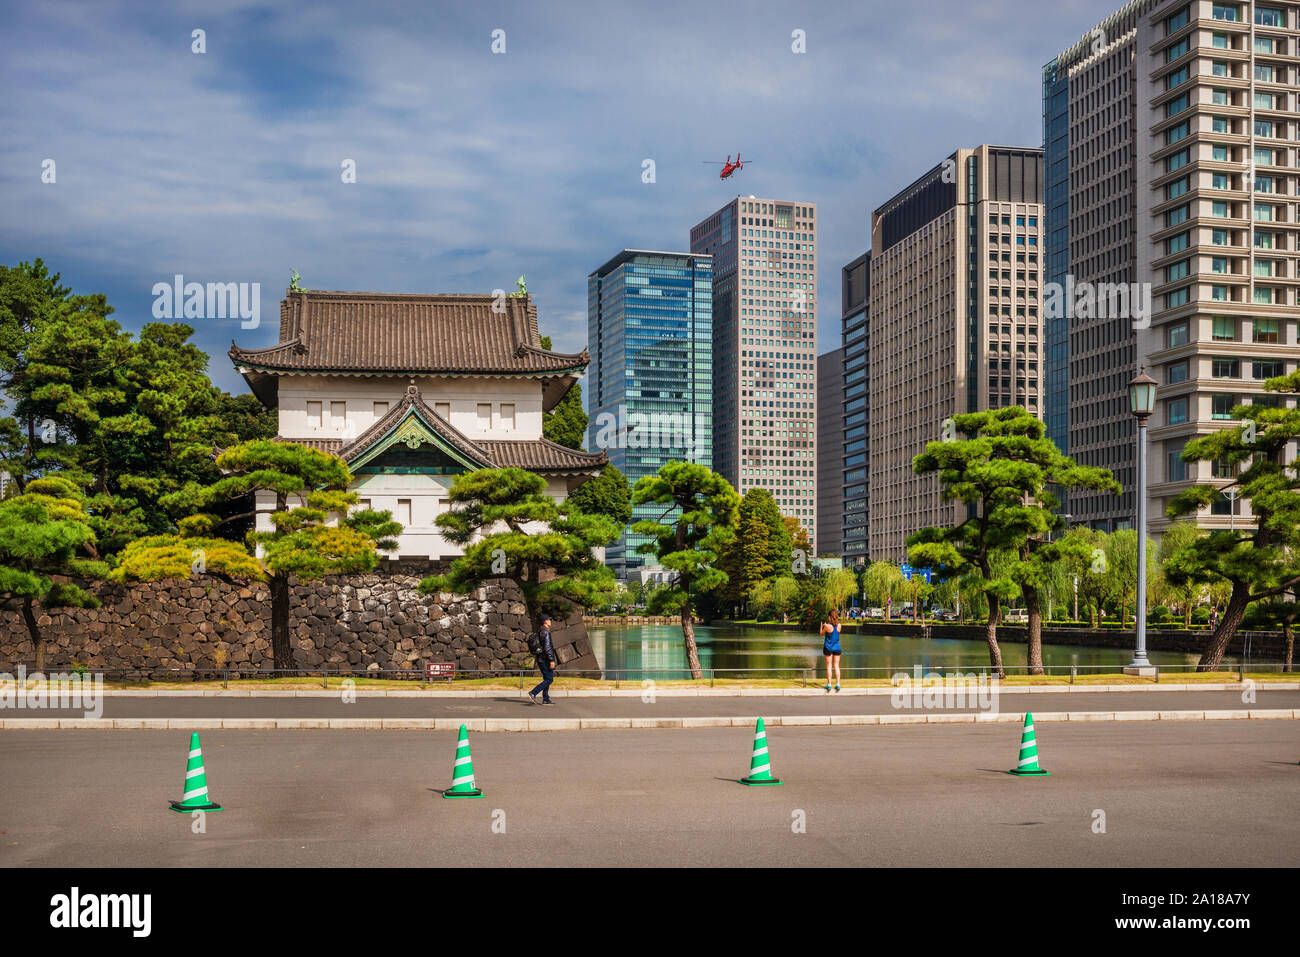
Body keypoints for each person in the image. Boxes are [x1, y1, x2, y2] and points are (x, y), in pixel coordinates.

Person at [528, 614, 557, 705]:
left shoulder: (540, 630)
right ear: (545, 621)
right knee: (549, 679)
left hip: (541, 658)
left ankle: (546, 699)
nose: (550, 621)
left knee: (546, 678)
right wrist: (551, 660)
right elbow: (547, 647)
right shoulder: (546, 631)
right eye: (549, 620)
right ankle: (533, 692)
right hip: (545, 659)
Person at [819, 608, 842, 692]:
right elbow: (836, 633)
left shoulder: (827, 626)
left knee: (829, 666)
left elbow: (821, 634)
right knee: (836, 665)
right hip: (837, 648)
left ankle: (829, 684)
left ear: (829, 617)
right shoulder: (839, 625)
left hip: (828, 648)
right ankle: (838, 684)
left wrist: (822, 626)